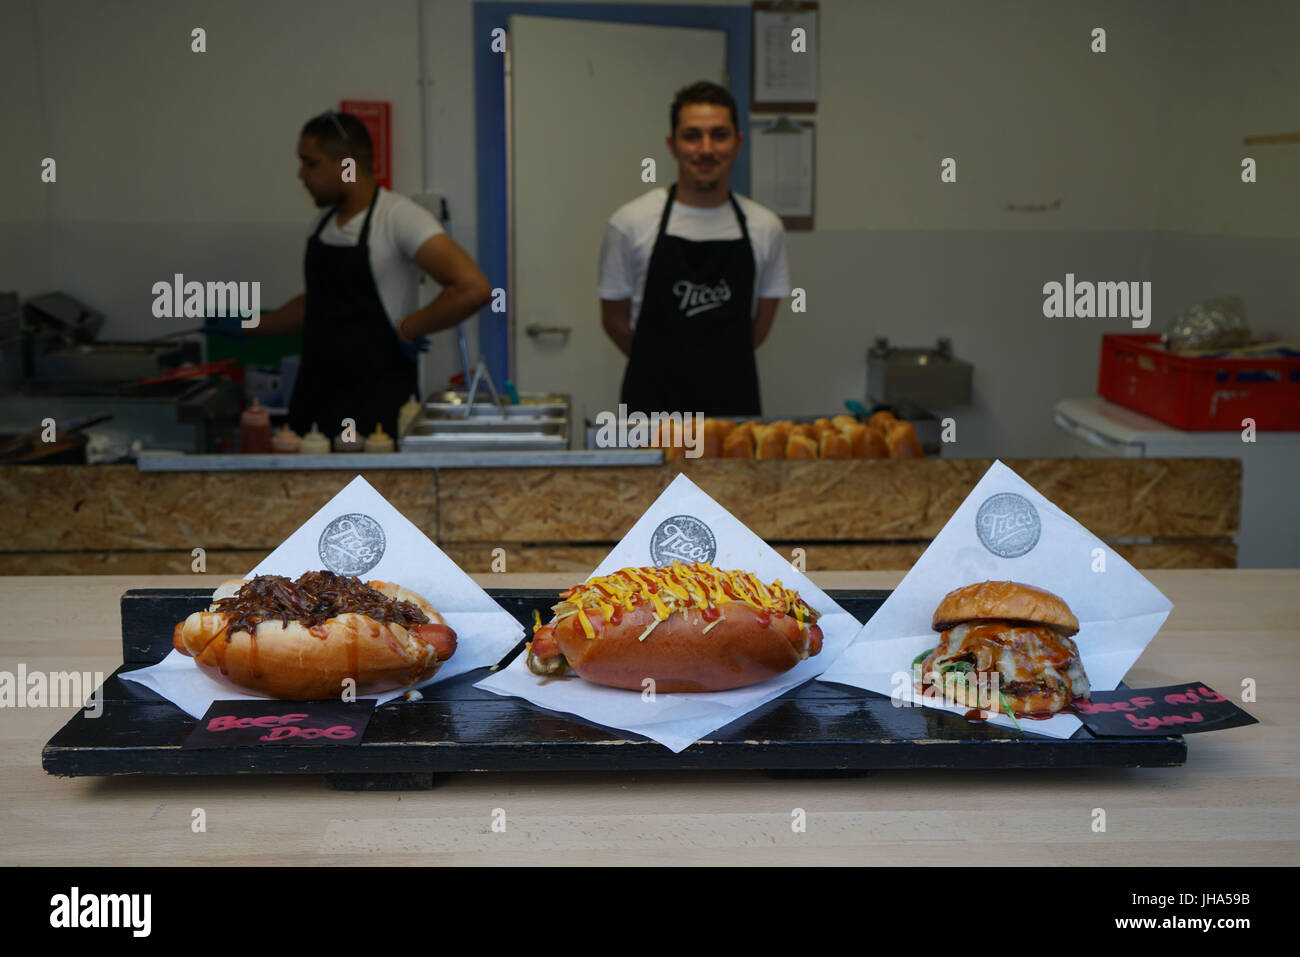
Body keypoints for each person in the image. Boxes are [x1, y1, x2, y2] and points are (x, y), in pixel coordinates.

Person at [255, 110, 491, 439]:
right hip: (315, 406)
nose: (301, 175)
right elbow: (319, 304)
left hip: (376, 413)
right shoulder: (322, 225)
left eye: (310, 163)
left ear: (347, 165)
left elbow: (473, 288)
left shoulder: (399, 218)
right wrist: (249, 325)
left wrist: (410, 328)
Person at [598, 81, 789, 418]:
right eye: (692, 136)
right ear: (672, 145)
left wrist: (712, 368)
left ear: (737, 144)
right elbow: (614, 320)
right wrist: (664, 366)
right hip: (652, 410)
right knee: (657, 475)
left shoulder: (765, 227)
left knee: (728, 475)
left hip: (734, 408)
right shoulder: (631, 223)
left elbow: (759, 328)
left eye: (719, 135)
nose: (705, 149)